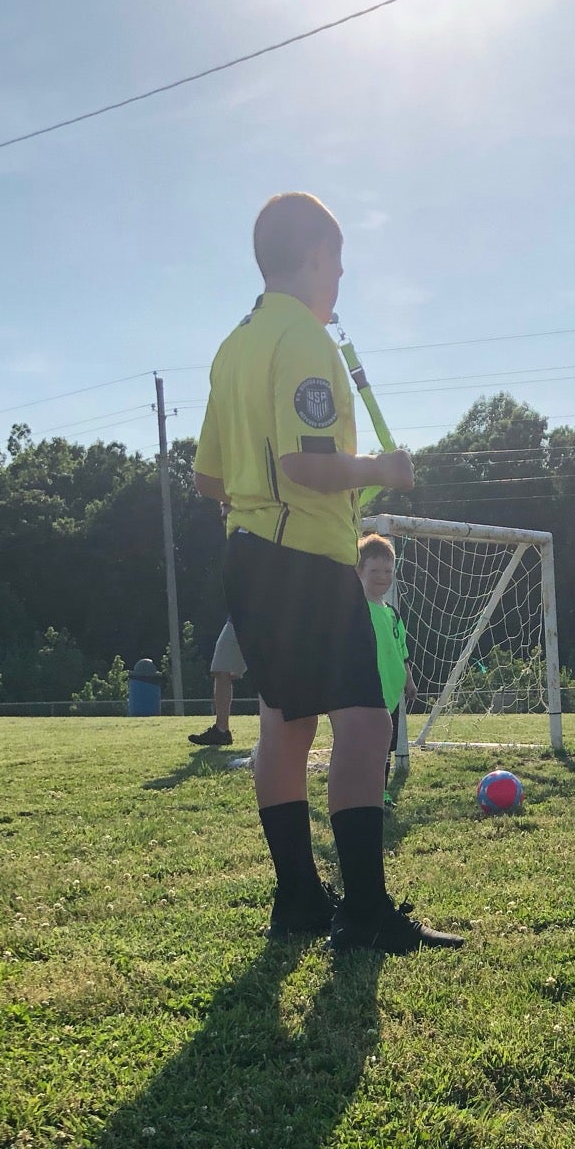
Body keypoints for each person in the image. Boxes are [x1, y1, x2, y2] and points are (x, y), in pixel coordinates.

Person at [192, 191, 463, 951]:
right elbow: (304, 465)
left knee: (283, 721)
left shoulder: (233, 345)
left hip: (246, 552)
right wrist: (382, 469)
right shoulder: (304, 341)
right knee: (367, 721)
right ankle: (367, 912)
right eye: (338, 262)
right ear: (314, 256)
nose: (341, 278)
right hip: (305, 558)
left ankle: (301, 903)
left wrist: (269, 493)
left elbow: (209, 478)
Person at [356, 533, 413, 801]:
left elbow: (402, 650)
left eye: (388, 571)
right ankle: (363, 792)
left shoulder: (392, 612)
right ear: (359, 571)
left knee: (385, 746)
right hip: (365, 690)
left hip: (392, 691)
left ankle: (381, 793)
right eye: (374, 570)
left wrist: (408, 680)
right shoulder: (355, 608)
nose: (382, 576)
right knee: (365, 746)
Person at [188, 618, 246, 747]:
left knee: (276, 671)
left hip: (265, 612)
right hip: (241, 616)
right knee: (221, 669)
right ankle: (221, 730)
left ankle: (288, 730)